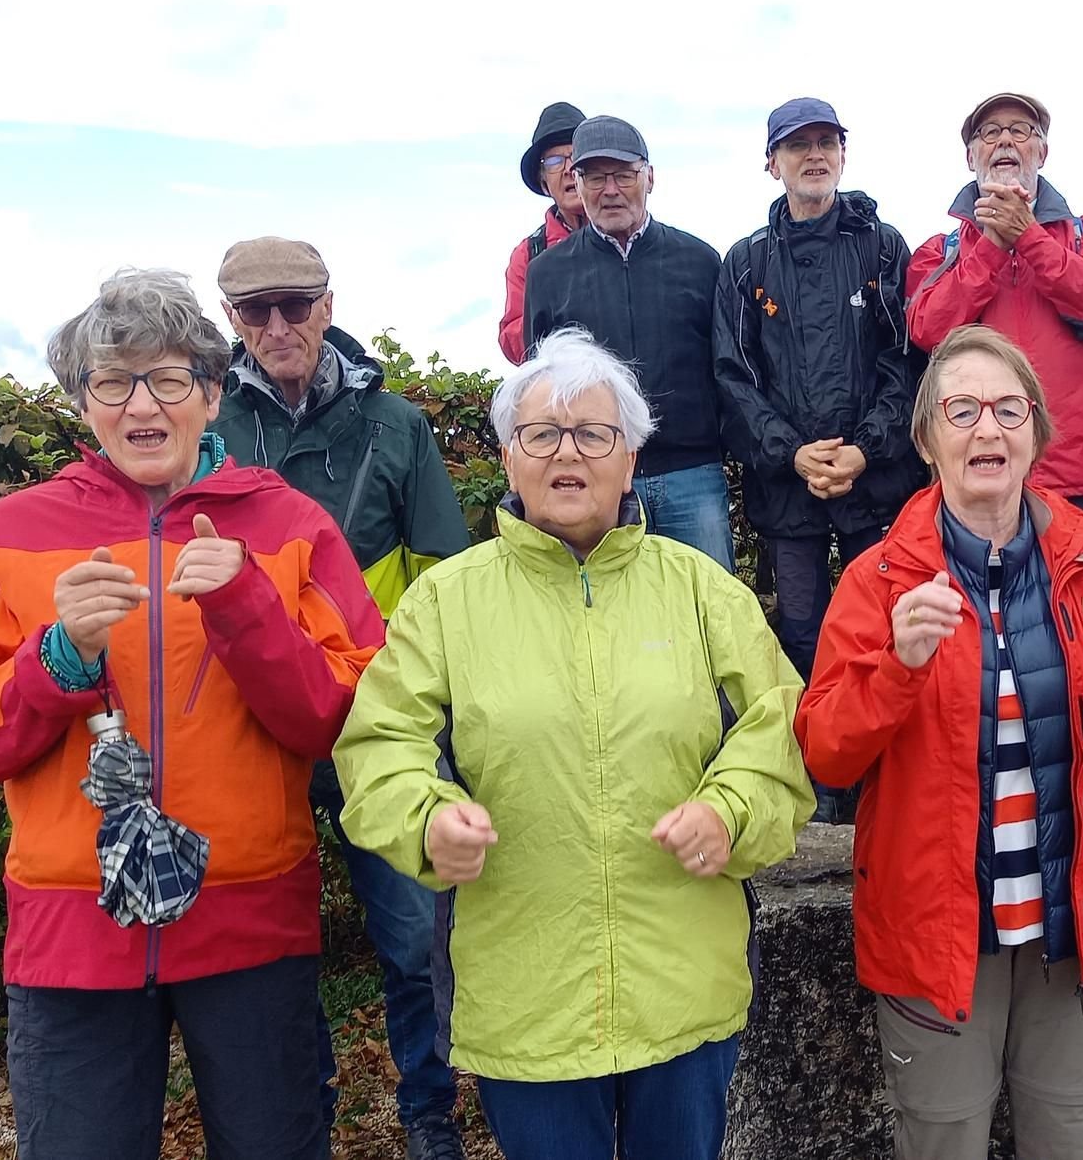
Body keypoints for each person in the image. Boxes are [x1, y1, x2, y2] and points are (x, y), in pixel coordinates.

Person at [335, 326, 814, 1160]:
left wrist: (729, 808)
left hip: (682, 982)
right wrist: (425, 820)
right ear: (509, 459)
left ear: (630, 459)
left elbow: (782, 727)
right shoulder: (447, 601)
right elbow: (380, 745)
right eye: (542, 434)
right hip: (528, 994)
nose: (569, 453)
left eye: (595, 434)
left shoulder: (702, 588)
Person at [0, 268, 385, 1160]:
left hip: (252, 926)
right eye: (113, 382)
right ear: (82, 403)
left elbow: (341, 718)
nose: (141, 402)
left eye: (170, 378)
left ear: (213, 392)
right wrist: (56, 658)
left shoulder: (293, 524)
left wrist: (249, 608)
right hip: (74, 933)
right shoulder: (9, 531)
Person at [796, 325, 1083, 1158]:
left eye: (1009, 409)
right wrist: (895, 669)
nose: (989, 429)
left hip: (1072, 936)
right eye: (963, 409)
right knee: (942, 1142)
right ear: (926, 438)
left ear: (1037, 432)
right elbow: (825, 756)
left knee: (1075, 1141)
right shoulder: (878, 579)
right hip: (934, 937)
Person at [212, 236, 473, 1158]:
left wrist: (429, 707)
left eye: (295, 305)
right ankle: (304, 1110)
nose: (278, 326)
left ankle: (429, 1112)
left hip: (379, 717)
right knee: (274, 944)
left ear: (328, 304)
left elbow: (443, 572)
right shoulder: (205, 429)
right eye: (255, 311)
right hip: (250, 725)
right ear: (230, 319)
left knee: (410, 936)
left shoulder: (397, 423)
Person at [711, 97, 926, 821]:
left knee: (886, 627)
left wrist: (865, 450)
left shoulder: (883, 246)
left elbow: (907, 360)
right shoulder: (745, 262)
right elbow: (734, 376)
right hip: (788, 489)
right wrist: (791, 452)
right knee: (800, 630)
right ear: (771, 162)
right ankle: (820, 781)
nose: (814, 156)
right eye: (797, 146)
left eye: (826, 142)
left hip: (879, 480)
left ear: (843, 153)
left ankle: (889, 769)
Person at [906, 91, 1083, 527]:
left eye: (1021, 131)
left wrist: (1028, 238)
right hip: (975, 473)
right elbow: (926, 327)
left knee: (1078, 596)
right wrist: (992, 244)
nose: (1005, 141)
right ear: (970, 157)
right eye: (990, 133)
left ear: (1042, 152)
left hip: (1075, 475)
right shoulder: (940, 250)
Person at [524, 114, 733, 568]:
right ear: (576, 185)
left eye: (624, 174)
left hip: (693, 474)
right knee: (611, 618)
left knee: (713, 609)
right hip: (599, 474)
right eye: (595, 177)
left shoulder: (700, 260)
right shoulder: (547, 274)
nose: (610, 189)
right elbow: (538, 389)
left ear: (650, 177)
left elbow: (727, 367)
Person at [500, 101, 587, 364]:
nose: (568, 169)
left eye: (576, 156)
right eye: (554, 161)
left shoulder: (627, 235)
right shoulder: (528, 254)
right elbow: (512, 341)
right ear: (543, 182)